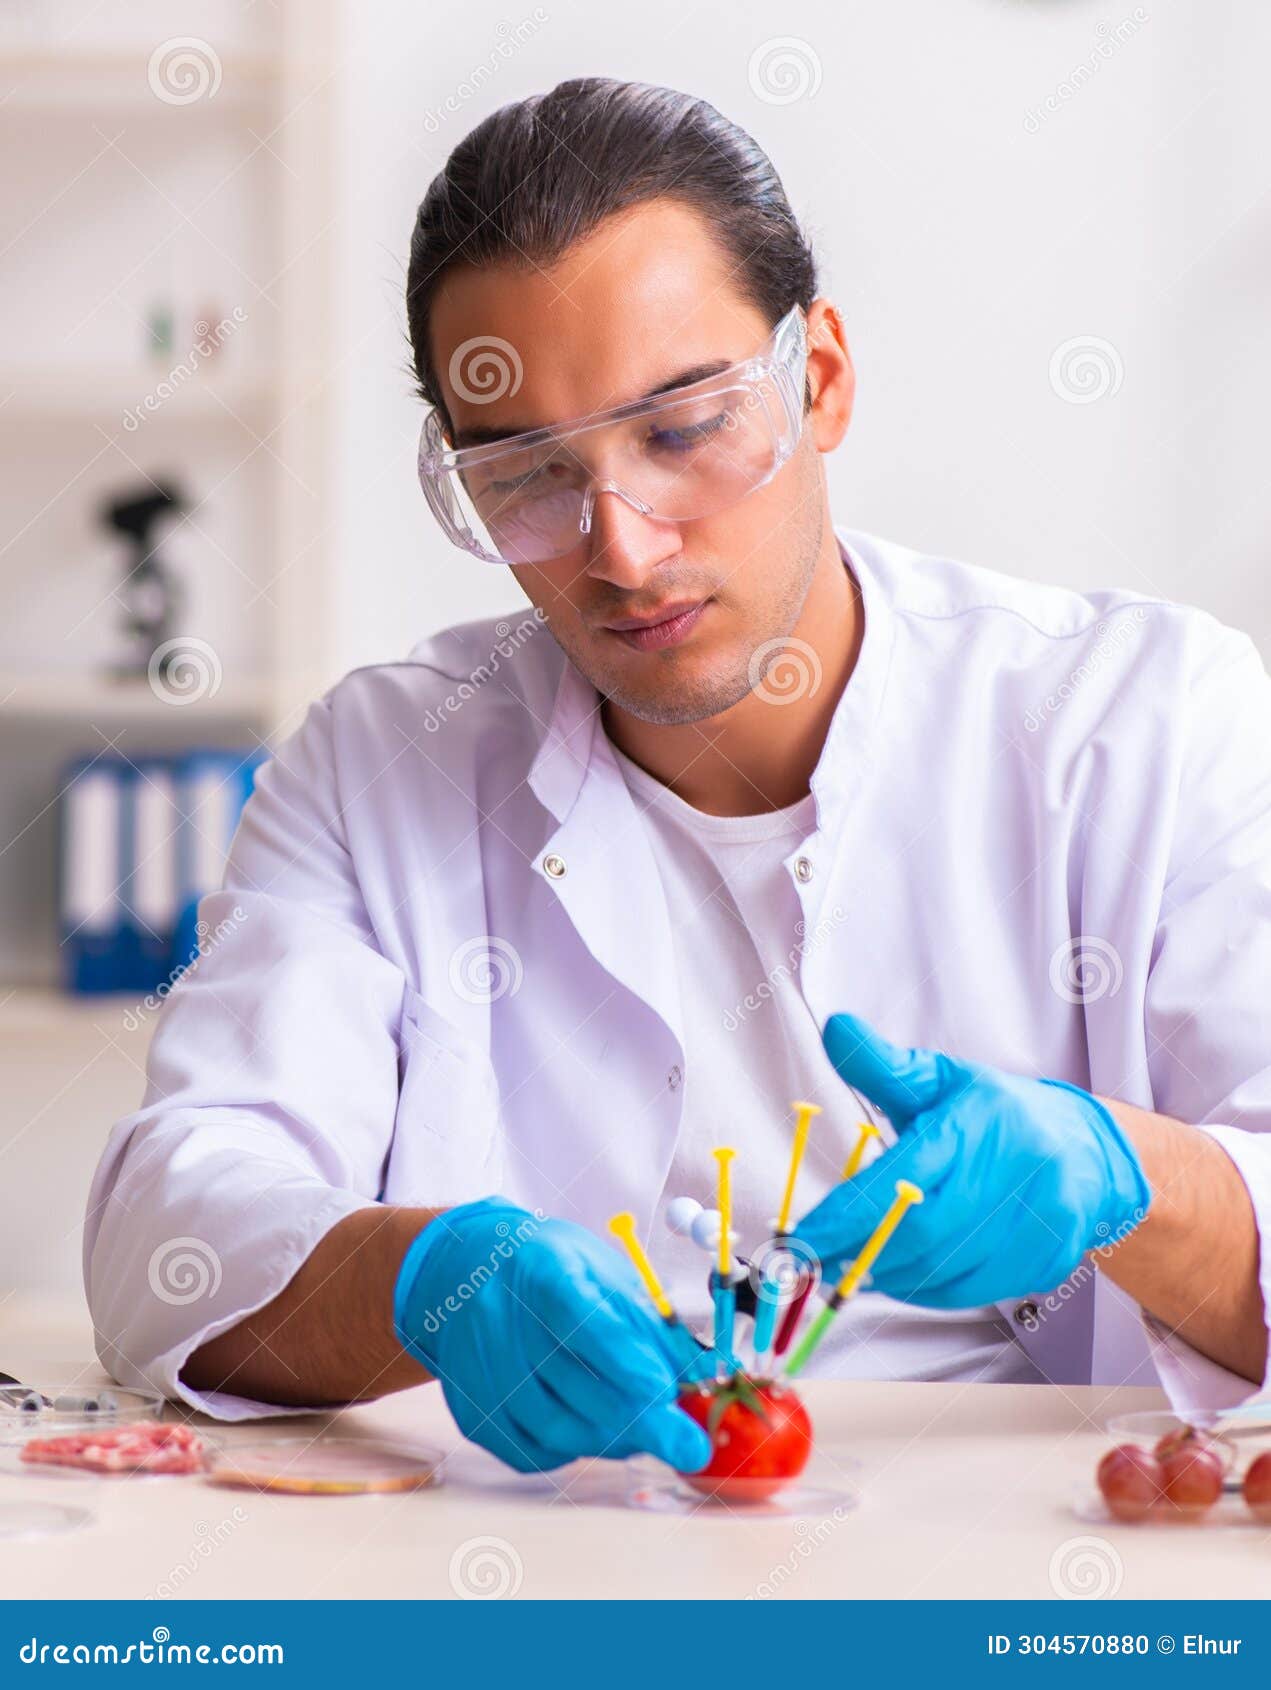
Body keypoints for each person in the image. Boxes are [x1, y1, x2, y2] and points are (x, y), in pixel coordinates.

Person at [85, 78, 1271, 1476]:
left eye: (681, 428)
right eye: (525, 472)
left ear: (818, 380)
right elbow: (170, 1232)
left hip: (1031, 1550)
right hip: (534, 1564)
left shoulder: (1143, 719)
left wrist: (1125, 1181)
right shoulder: (376, 765)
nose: (623, 550)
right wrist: (424, 1282)